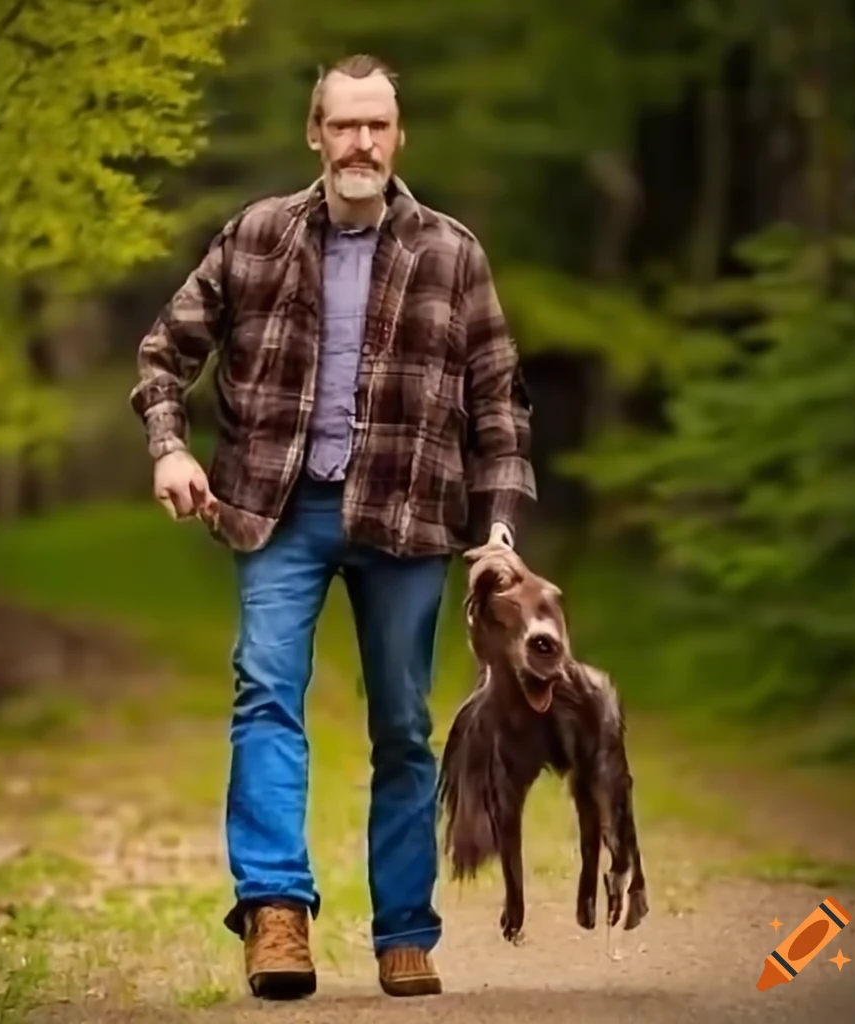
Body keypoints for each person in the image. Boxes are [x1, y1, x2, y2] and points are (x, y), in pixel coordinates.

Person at [129, 53, 536, 1000]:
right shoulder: (256, 235)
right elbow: (162, 355)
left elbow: (499, 406)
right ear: (314, 133)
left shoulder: (452, 251)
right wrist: (168, 448)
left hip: (410, 518)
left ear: (399, 138)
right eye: (344, 124)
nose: (361, 142)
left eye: (378, 126)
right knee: (266, 696)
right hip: (278, 511)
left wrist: (501, 529)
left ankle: (405, 932)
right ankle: (276, 913)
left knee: (403, 726)